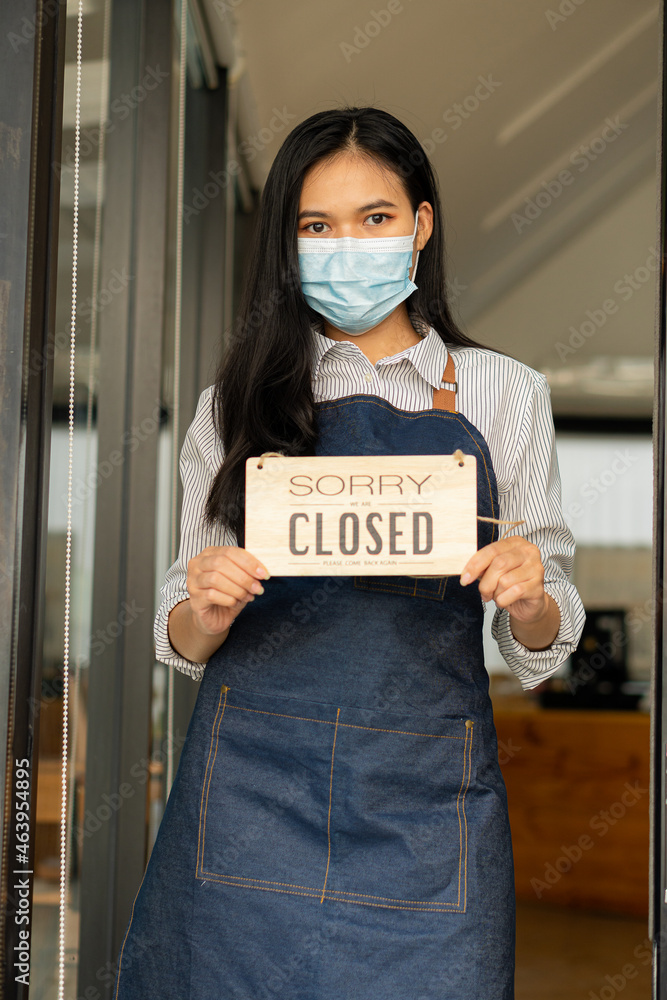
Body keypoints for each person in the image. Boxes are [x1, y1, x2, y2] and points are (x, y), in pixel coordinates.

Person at [113, 106, 585, 1000]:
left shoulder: (505, 394)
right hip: (250, 797)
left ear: (421, 227)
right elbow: (179, 634)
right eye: (316, 225)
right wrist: (202, 607)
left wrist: (529, 596)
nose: (349, 244)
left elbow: (544, 634)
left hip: (424, 806)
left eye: (374, 218)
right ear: (286, 247)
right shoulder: (231, 406)